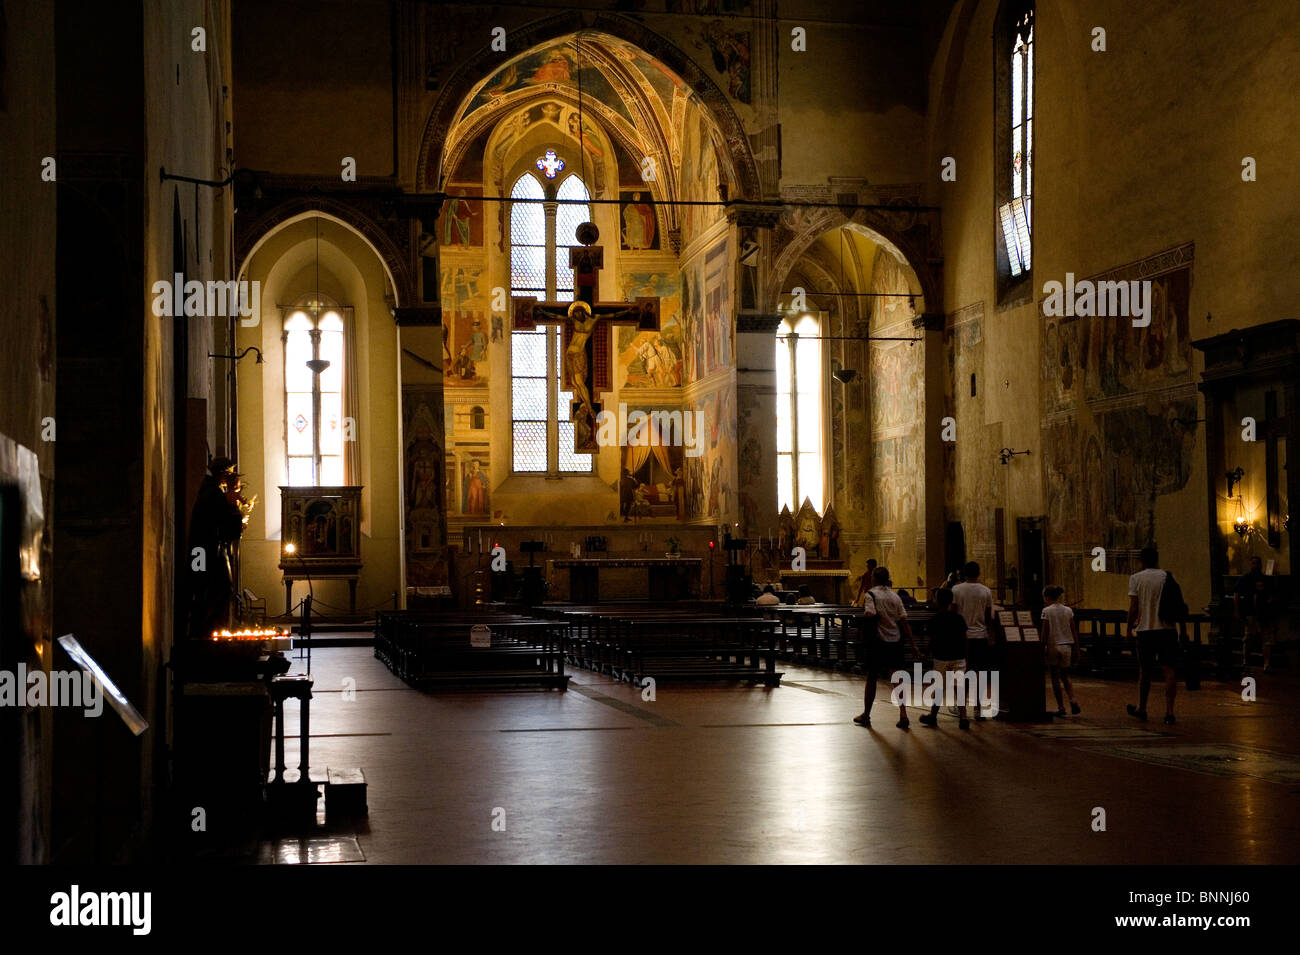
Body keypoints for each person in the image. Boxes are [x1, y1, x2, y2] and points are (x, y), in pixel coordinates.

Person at [186, 457, 250, 639]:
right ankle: (209, 639)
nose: (233, 478)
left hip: (200, 552)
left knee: (203, 594)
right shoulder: (214, 495)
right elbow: (231, 531)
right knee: (217, 593)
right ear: (223, 474)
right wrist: (233, 505)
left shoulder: (207, 491)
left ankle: (203, 636)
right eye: (230, 474)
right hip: (211, 552)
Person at [854, 566, 922, 730]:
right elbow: (904, 621)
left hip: (878, 642)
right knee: (897, 678)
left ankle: (866, 713)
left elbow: (870, 614)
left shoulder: (871, 595)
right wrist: (913, 644)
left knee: (872, 677)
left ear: (874, 579)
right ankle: (903, 713)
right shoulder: (895, 597)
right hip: (895, 640)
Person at [1126, 546, 1182, 725]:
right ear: (1157, 559)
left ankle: (1142, 708)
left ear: (1142, 561)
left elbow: (1134, 607)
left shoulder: (1136, 578)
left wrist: (1128, 629)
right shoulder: (1168, 577)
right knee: (1169, 670)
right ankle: (1169, 712)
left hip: (1146, 630)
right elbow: (1177, 604)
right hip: (1167, 630)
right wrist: (1184, 630)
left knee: (1145, 672)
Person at [919, 588, 970, 730]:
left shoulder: (935, 619)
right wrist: (966, 656)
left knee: (939, 687)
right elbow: (965, 638)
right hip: (958, 656)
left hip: (941, 657)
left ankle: (933, 716)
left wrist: (925, 655)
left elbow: (932, 640)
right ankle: (963, 717)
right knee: (958, 687)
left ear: (937, 601)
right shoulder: (959, 618)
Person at [951, 561, 995, 721]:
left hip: (962, 637)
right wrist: (991, 636)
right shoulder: (986, 591)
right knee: (981, 673)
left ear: (964, 573)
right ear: (979, 573)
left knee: (961, 672)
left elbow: (954, 614)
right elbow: (988, 615)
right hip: (980, 636)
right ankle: (978, 707)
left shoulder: (956, 590)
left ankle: (960, 705)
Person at [1041, 586, 1080, 717]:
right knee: (1066, 676)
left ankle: (1061, 707)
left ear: (1047, 597)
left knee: (1055, 678)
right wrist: (1076, 648)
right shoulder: (1068, 610)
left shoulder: (1046, 611)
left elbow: (1045, 631)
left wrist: (1042, 647)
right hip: (1067, 645)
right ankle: (1073, 700)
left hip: (1053, 645)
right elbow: (1073, 630)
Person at [1235, 555, 1278, 672]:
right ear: (1251, 564)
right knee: (1248, 637)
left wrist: (1269, 605)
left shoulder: (1266, 579)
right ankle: (1245, 662)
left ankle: (1267, 664)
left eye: (1257, 563)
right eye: (1253, 563)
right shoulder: (1245, 579)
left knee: (1266, 639)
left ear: (1261, 565)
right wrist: (1238, 610)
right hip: (1250, 613)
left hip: (1263, 613)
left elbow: (1272, 595)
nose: (1255, 565)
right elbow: (1237, 595)